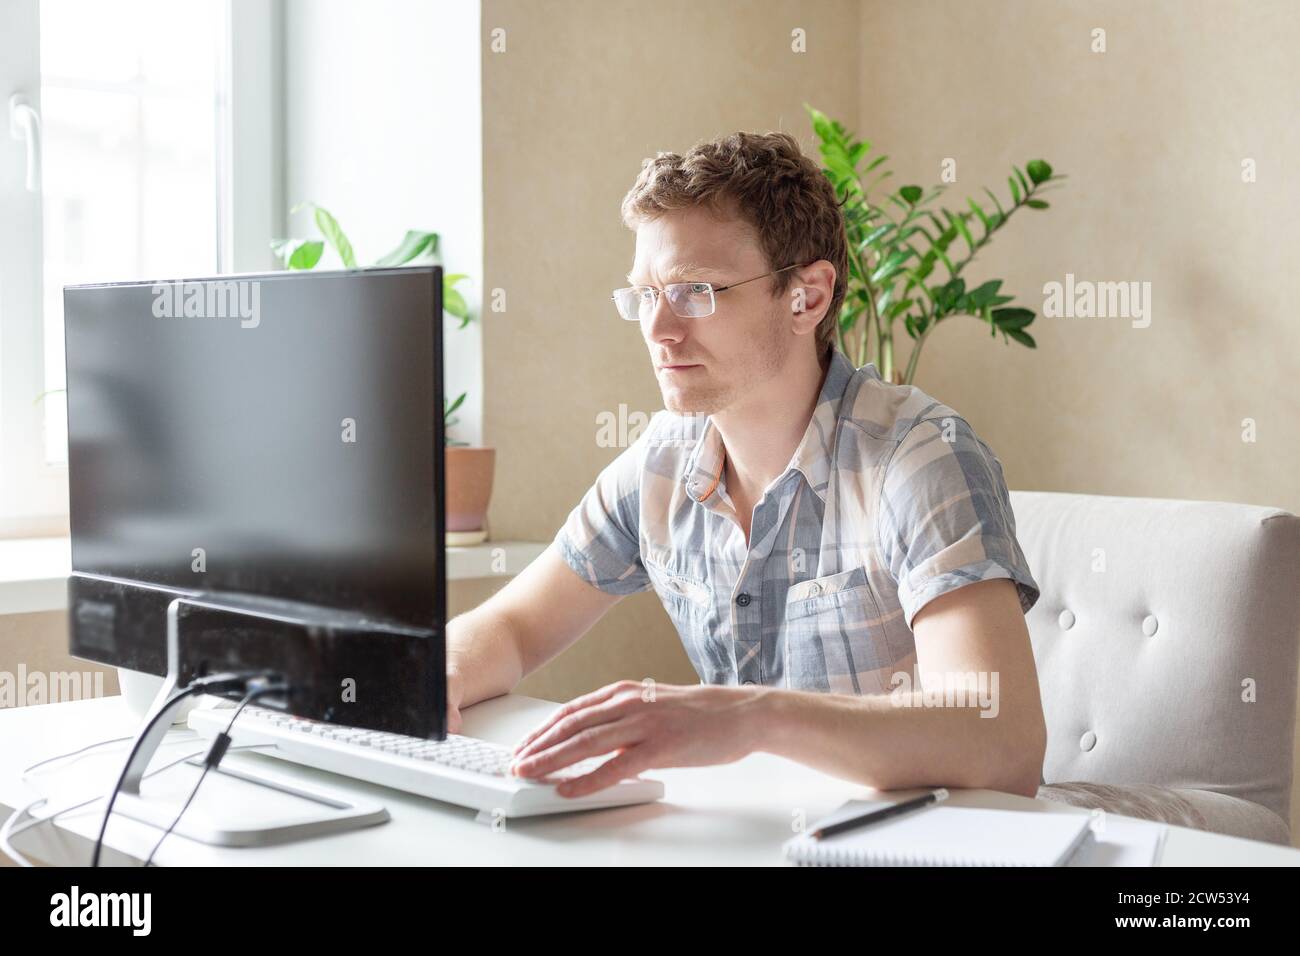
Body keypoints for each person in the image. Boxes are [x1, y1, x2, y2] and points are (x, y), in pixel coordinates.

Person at [447, 130, 1046, 800]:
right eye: (645, 295)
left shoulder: (921, 458)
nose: (659, 329)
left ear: (807, 298)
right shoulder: (661, 464)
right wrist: (429, 676)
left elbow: (1003, 741)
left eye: (696, 291)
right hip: (759, 835)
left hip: (915, 840)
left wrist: (756, 718)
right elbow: (511, 629)